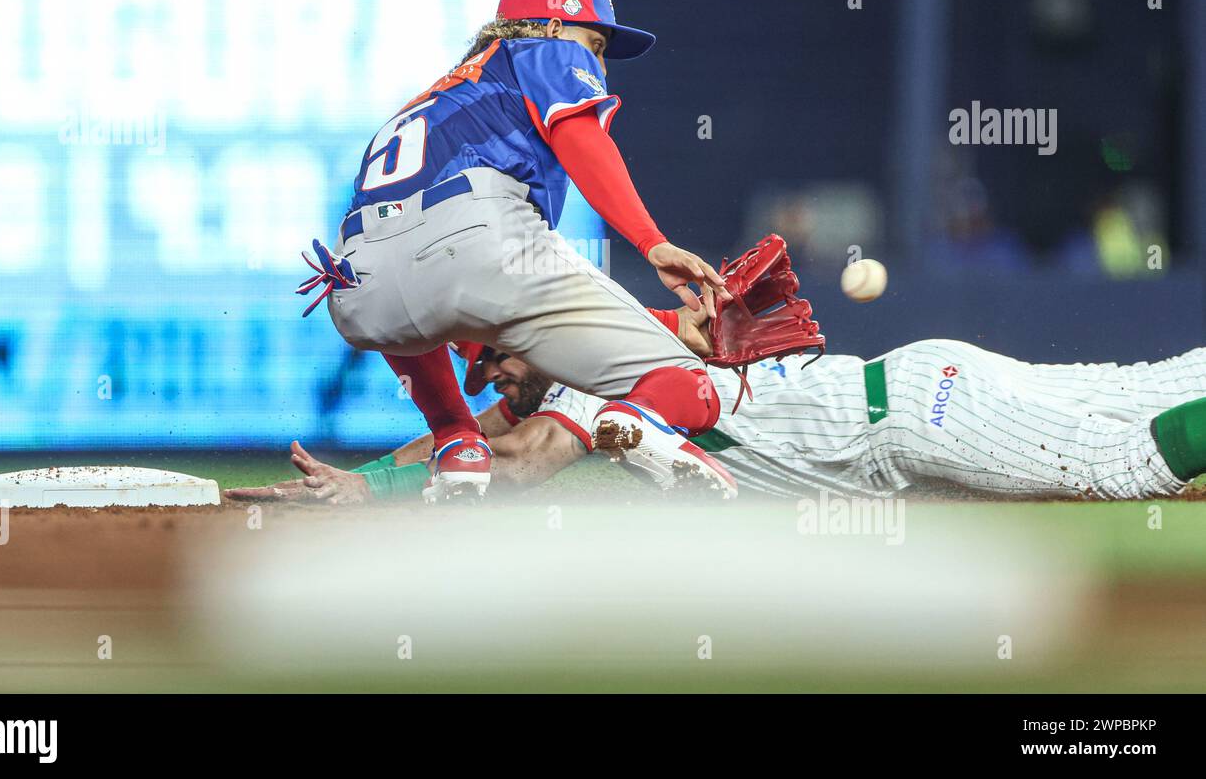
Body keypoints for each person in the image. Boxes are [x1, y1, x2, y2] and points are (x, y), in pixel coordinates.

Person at [309, 0, 732, 501]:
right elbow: (580, 138)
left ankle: (458, 444)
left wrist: (458, 410)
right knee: (684, 381)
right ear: (552, 28)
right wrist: (652, 242)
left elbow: (414, 265)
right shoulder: (545, 50)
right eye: (595, 43)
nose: (598, 63)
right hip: (477, 236)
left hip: (353, 287)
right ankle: (638, 424)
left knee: (413, 313)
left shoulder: (432, 101)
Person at [231, 304, 1206, 504]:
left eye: (490, 360)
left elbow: (520, 459)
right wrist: (368, 478)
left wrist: (383, 503)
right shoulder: (585, 340)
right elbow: (475, 437)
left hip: (909, 421)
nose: (489, 381)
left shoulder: (585, 362)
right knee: (1146, 386)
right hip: (915, 386)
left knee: (1118, 466)